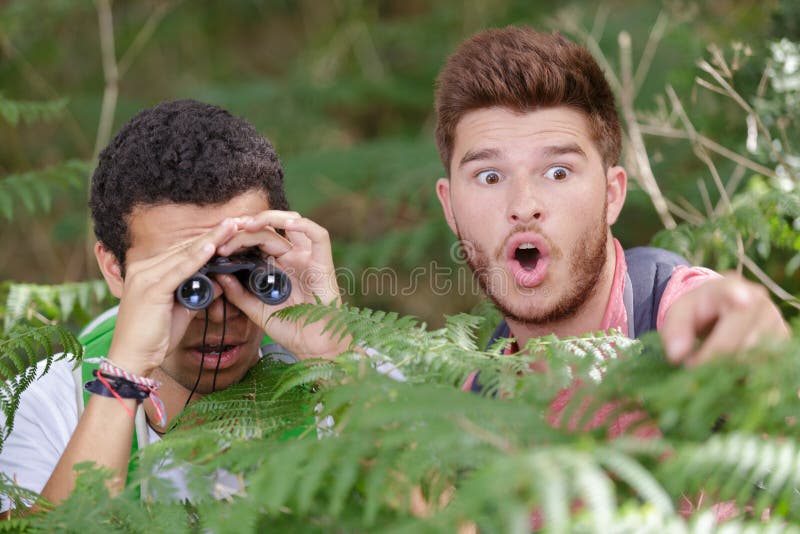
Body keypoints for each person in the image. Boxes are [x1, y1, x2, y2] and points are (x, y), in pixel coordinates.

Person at [0, 99, 345, 509]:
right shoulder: (40, 403)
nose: (217, 310)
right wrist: (122, 379)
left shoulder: (349, 374)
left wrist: (337, 361)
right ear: (114, 269)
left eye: (243, 269)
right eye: (184, 280)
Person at [432, 27, 789, 393]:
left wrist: (765, 348)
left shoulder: (676, 321)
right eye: (490, 177)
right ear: (450, 207)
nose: (524, 206)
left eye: (558, 172)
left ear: (613, 195)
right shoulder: (477, 398)